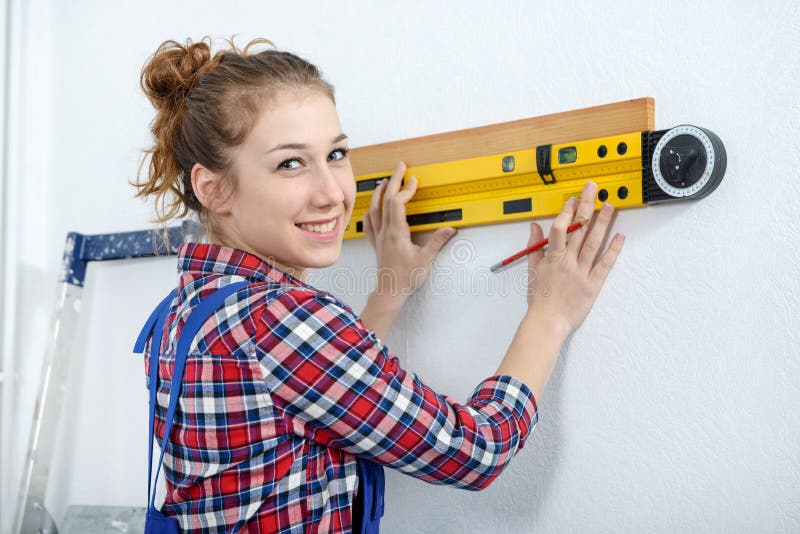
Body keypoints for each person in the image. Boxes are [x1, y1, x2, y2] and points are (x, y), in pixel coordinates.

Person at [133, 36, 624, 533]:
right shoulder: (279, 322)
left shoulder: (184, 309)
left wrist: (389, 291)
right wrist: (550, 317)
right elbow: (475, 452)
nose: (332, 193)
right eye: (290, 163)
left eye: (338, 154)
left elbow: (311, 397)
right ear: (213, 188)